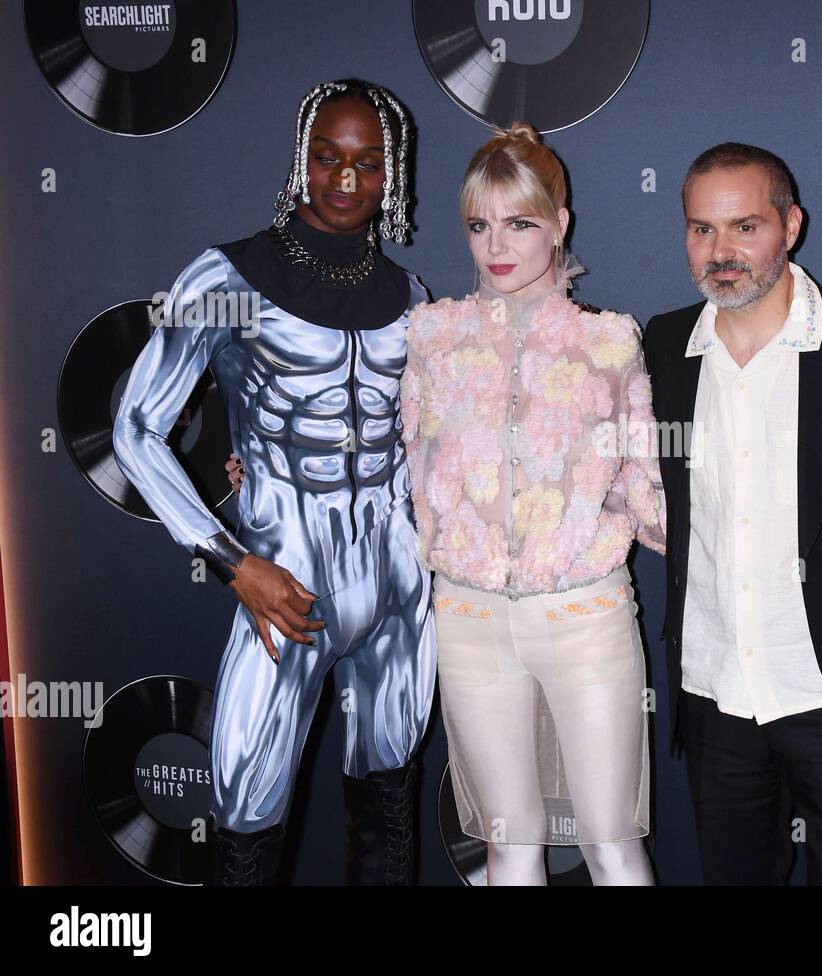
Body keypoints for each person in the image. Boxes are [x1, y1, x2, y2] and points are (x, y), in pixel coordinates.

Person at [113, 79, 437, 885]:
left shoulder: (415, 300)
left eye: (368, 163)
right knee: (248, 820)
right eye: (328, 157)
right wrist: (234, 561)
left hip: (398, 582)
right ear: (301, 160)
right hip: (282, 581)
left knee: (388, 810)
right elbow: (135, 428)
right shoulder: (227, 279)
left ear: (392, 175)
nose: (346, 181)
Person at [641, 143, 822, 884]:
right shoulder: (664, 344)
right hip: (715, 695)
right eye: (701, 230)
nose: (721, 251)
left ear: (791, 225)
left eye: (745, 226)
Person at [398, 122, 666, 885]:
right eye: (479, 224)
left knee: (611, 841)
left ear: (559, 224)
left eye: (519, 221)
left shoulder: (609, 343)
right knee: (508, 845)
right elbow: (402, 465)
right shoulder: (432, 336)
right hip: (470, 620)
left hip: (585, 619)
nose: (496, 244)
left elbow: (643, 483)